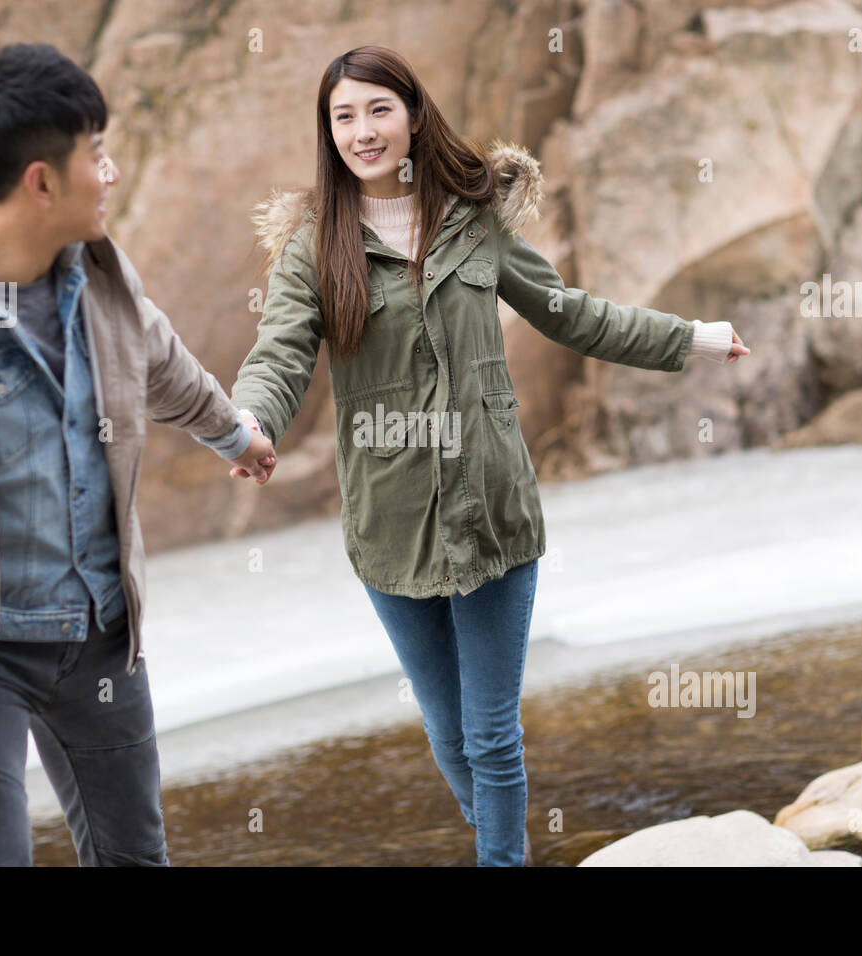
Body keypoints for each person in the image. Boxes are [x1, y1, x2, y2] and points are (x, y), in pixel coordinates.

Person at [228, 45, 750, 866]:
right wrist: (251, 418)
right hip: (391, 523)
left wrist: (690, 339)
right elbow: (280, 352)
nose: (362, 131)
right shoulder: (313, 250)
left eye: (378, 109)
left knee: (492, 733)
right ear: (327, 135)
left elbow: (569, 313)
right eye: (343, 117)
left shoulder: (472, 221)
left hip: (492, 507)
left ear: (411, 114)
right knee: (449, 732)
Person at [0, 42, 276, 866]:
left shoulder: (93, 273)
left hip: (102, 634)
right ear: (40, 180)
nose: (110, 173)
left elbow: (157, 360)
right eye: (95, 153)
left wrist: (234, 434)